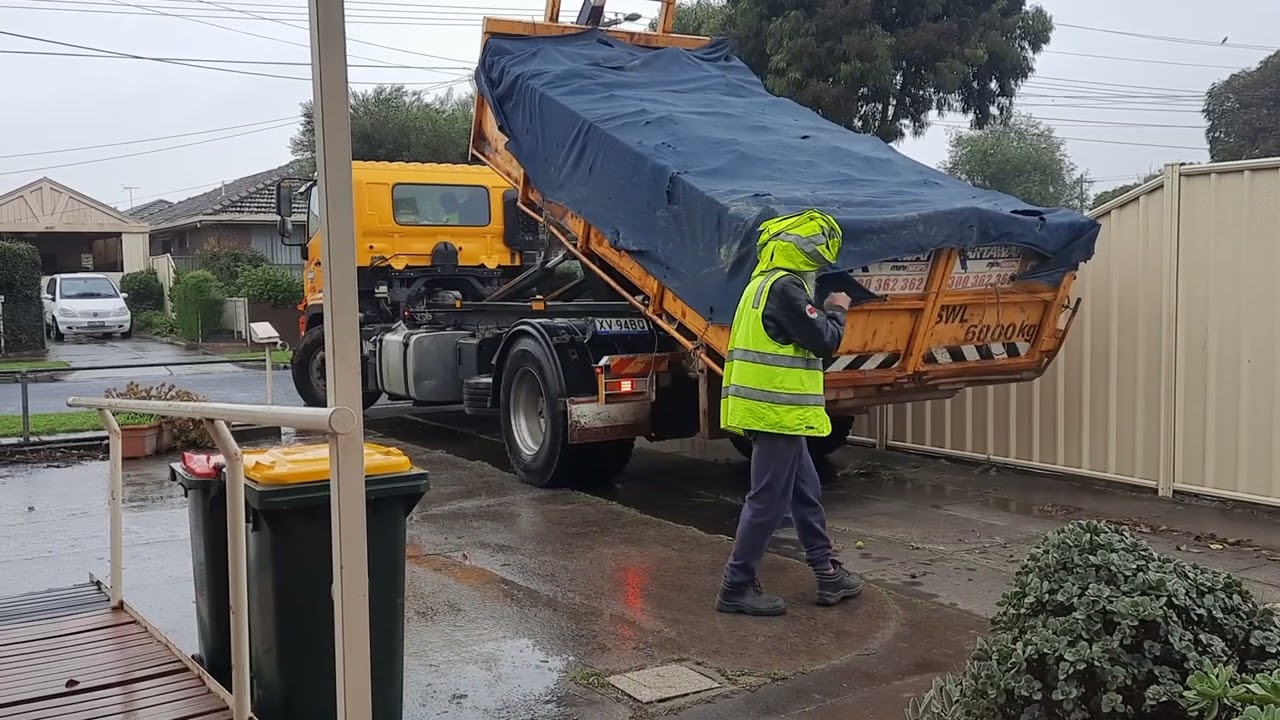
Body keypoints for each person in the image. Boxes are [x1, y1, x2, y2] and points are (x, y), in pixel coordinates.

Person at [715, 208, 864, 616]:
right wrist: (836, 308)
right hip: (774, 413)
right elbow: (824, 341)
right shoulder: (786, 289)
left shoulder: (760, 284)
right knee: (767, 501)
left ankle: (828, 573)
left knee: (805, 492)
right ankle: (735, 586)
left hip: (772, 411)